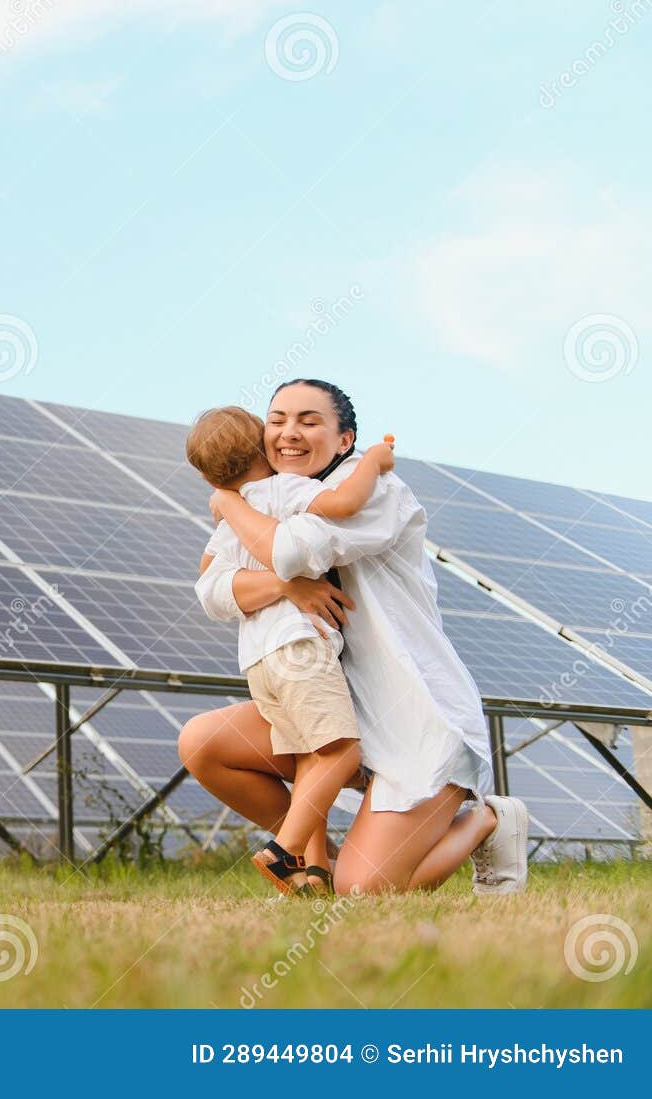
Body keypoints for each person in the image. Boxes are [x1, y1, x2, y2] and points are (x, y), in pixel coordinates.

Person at [179, 379, 529, 896]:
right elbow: (212, 590)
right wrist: (283, 586)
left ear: (344, 441)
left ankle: (489, 821)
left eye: (308, 420)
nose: (289, 432)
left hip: (413, 721)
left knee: (363, 892)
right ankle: (318, 866)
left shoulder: (374, 492)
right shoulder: (266, 500)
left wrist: (228, 505)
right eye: (277, 419)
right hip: (339, 707)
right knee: (201, 744)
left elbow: (293, 552)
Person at [184, 405, 394, 894]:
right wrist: (375, 460)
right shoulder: (282, 489)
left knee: (307, 755)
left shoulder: (235, 515)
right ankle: (286, 851)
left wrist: (228, 504)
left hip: (259, 660)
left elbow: (206, 569)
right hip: (299, 649)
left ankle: (315, 872)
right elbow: (342, 503)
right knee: (340, 754)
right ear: (262, 446)